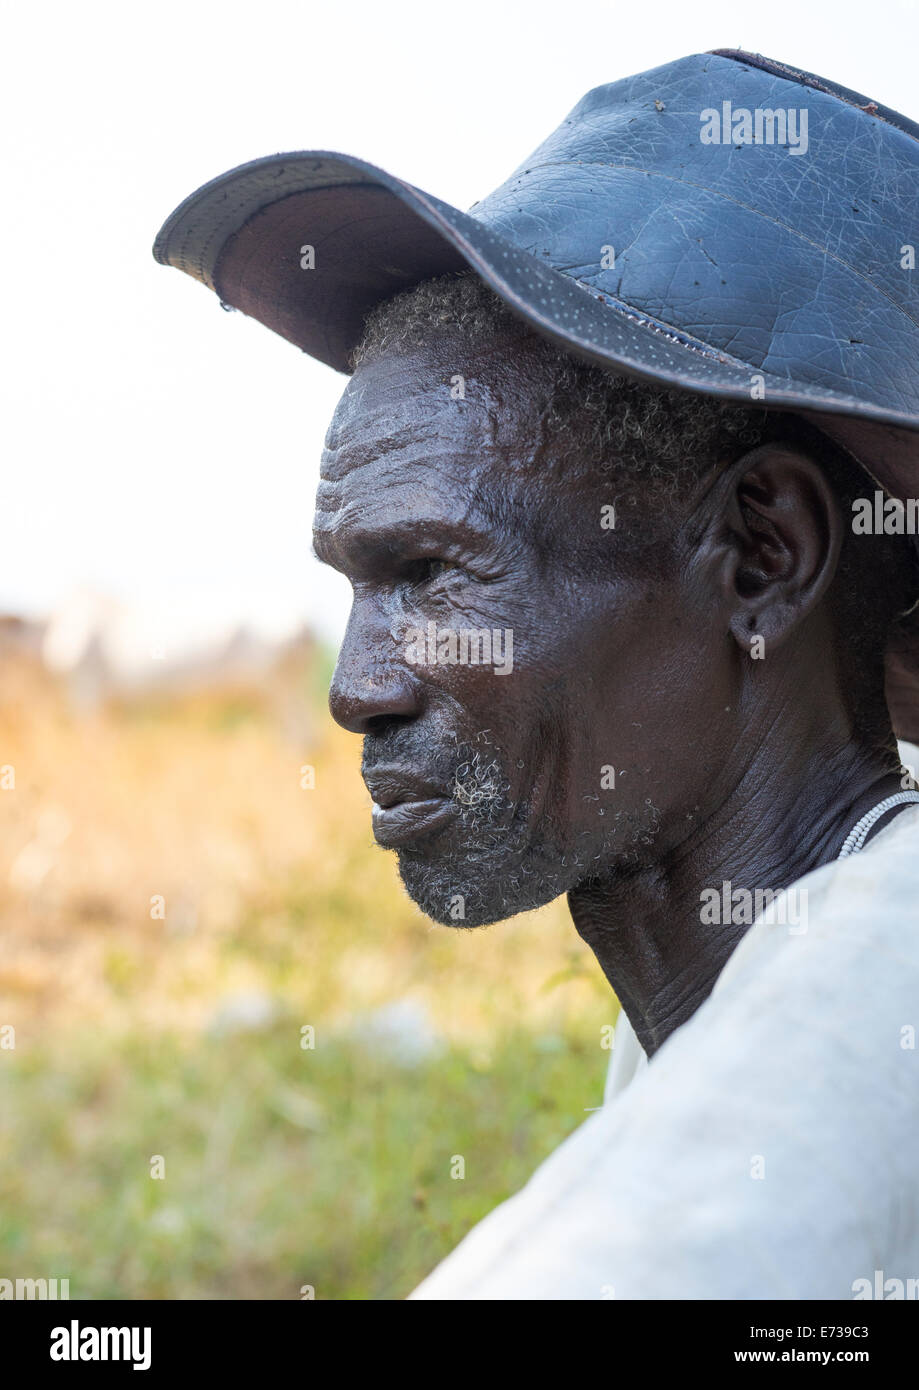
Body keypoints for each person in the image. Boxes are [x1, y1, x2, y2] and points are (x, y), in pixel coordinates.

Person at [155, 49, 919, 1298]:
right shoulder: (722, 1003)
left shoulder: (884, 982)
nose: (358, 687)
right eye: (356, 585)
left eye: (434, 573)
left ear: (763, 555)